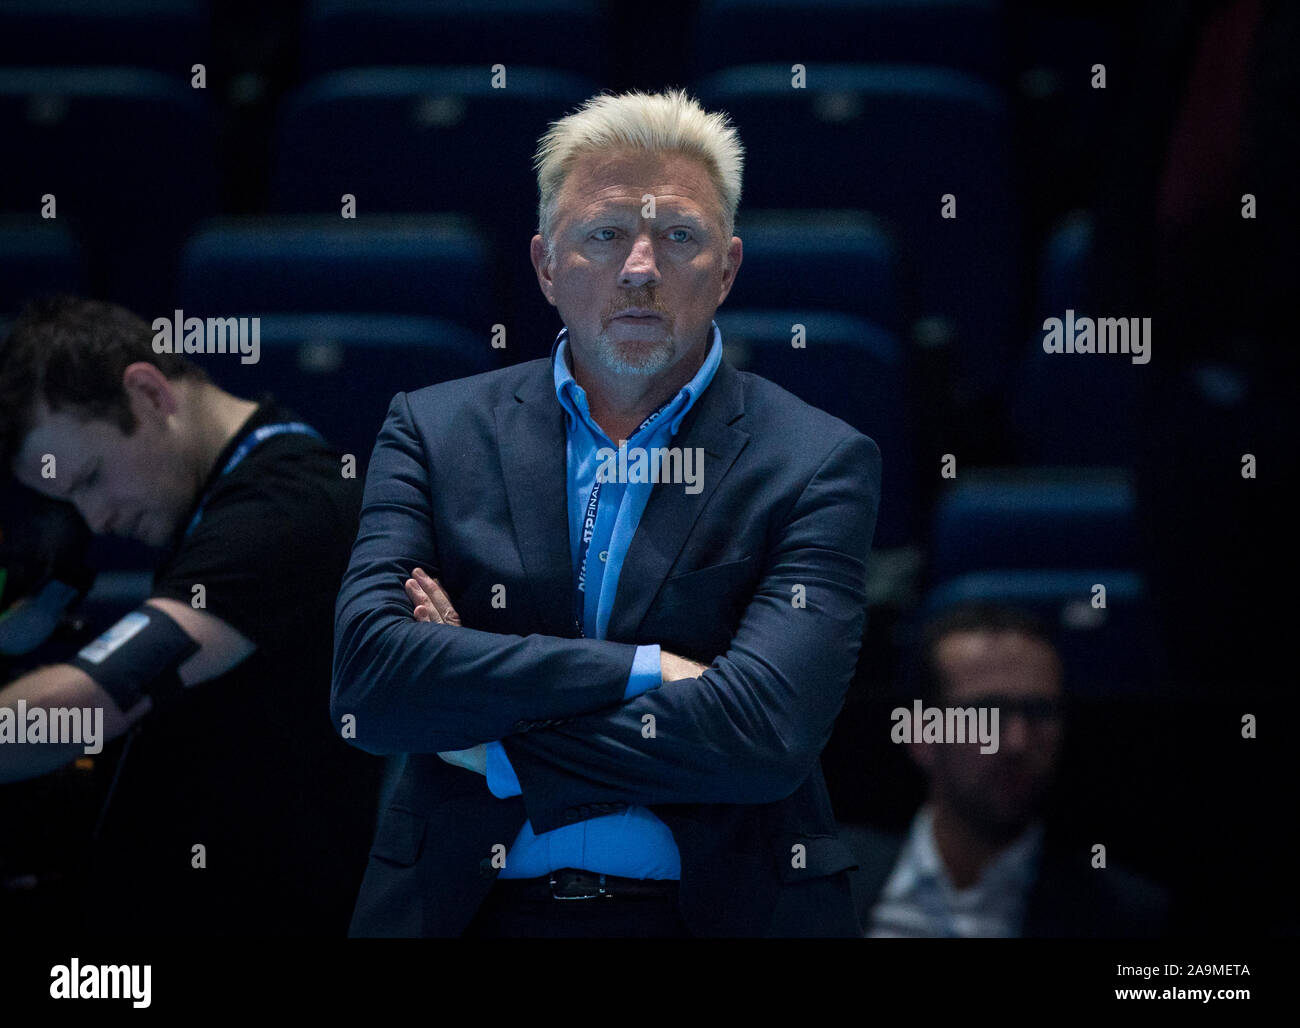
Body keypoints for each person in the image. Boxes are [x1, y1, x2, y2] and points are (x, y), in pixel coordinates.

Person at [332, 88, 883, 937]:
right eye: (605, 233)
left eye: (678, 236)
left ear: (727, 267)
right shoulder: (434, 429)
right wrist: (649, 672)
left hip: (713, 917)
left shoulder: (817, 460)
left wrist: (485, 734)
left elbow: (762, 735)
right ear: (547, 265)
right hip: (462, 914)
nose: (639, 268)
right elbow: (372, 687)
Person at [0, 296, 383, 935]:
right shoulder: (212, 495)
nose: (97, 522)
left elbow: (93, 701)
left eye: (91, 478)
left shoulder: (287, 510)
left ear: (148, 393)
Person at [841, 603, 1170, 937]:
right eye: (987, 711)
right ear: (923, 736)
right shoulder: (820, 881)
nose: (1017, 742)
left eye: (1039, 712)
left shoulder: (1122, 915)